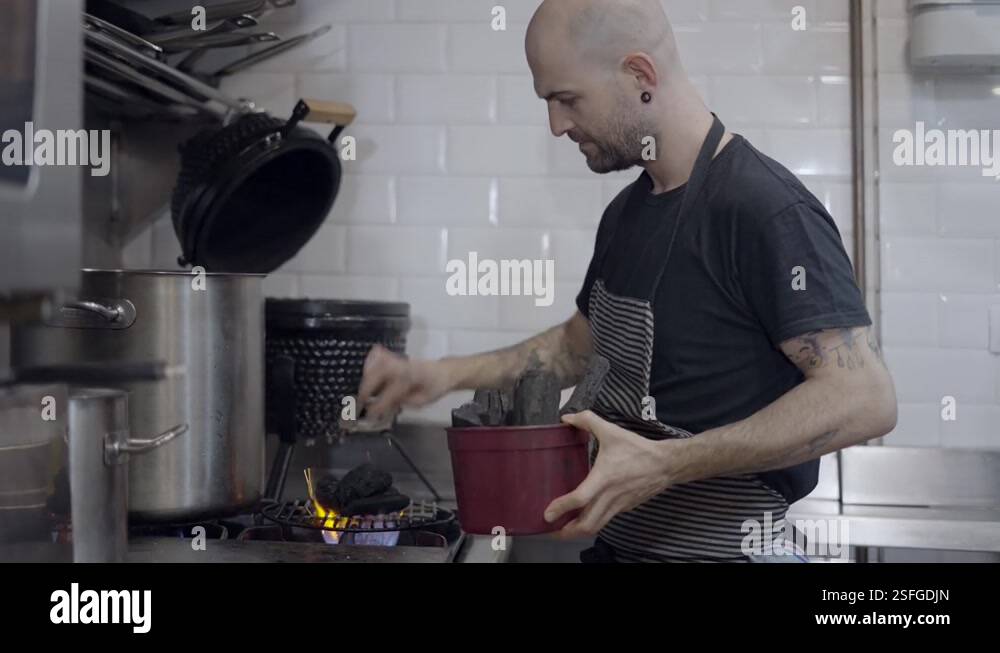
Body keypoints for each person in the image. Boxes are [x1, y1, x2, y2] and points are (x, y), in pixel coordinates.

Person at [358, 0, 897, 562]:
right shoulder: (627, 213)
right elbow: (577, 347)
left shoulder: (763, 209)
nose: (557, 124)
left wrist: (666, 464)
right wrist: (440, 375)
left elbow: (864, 398)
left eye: (567, 99)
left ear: (639, 76)